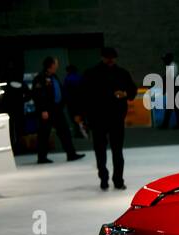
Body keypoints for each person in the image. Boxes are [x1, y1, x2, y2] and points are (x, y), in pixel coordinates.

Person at [82, 47, 137, 190]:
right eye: (108, 57)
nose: (111, 60)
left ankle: (117, 179)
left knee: (116, 151)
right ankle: (104, 178)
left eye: (112, 57)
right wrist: (84, 116)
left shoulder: (122, 73)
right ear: (102, 57)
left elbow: (132, 91)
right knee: (101, 152)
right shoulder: (91, 74)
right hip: (98, 118)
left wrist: (125, 93)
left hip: (116, 118)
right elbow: (84, 96)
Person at [30, 56, 83, 164]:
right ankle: (42, 157)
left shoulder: (54, 76)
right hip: (47, 111)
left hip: (57, 109)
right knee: (44, 134)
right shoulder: (40, 78)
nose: (57, 65)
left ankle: (71, 154)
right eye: (56, 63)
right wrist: (43, 110)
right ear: (51, 65)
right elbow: (38, 95)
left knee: (65, 132)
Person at [157, 52, 179, 129]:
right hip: (173, 88)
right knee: (172, 107)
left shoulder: (173, 66)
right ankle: (167, 124)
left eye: (165, 59)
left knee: (174, 107)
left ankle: (168, 124)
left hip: (174, 89)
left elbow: (169, 78)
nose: (164, 61)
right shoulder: (171, 66)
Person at [63, 64, 85, 137]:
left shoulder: (68, 79)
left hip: (72, 103)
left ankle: (79, 133)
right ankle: (84, 133)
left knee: (74, 118)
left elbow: (66, 92)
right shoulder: (80, 77)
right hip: (81, 102)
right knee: (81, 118)